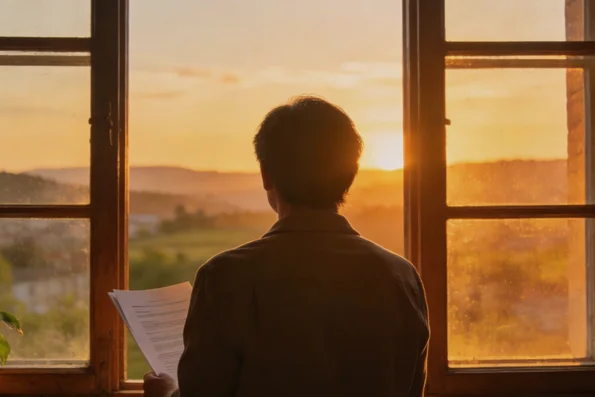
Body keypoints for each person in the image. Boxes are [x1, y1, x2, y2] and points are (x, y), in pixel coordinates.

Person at [144, 96, 430, 397]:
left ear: (266, 174)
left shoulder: (224, 278)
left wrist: (163, 394)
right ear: (350, 174)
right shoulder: (402, 278)